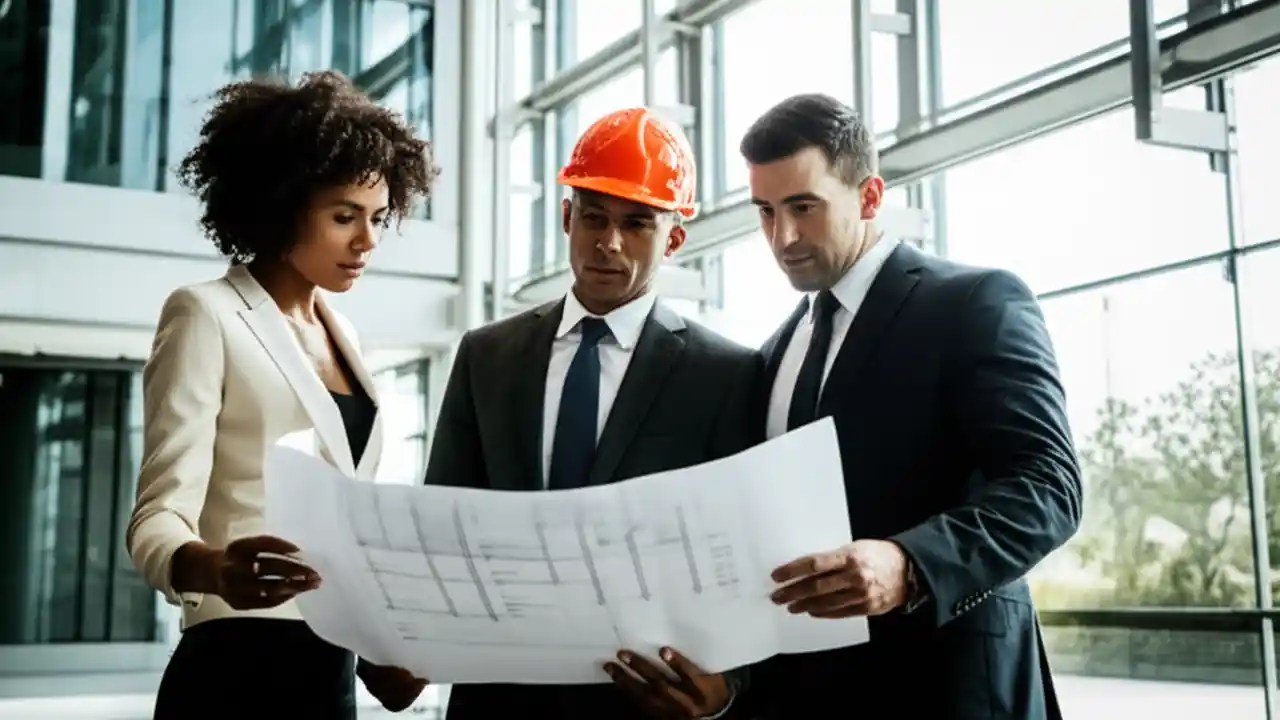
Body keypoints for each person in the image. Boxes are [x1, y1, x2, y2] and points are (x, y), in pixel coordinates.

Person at [736, 93, 1083, 718]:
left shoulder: (975, 302)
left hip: (950, 686)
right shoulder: (774, 352)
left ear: (870, 197)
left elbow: (1049, 486)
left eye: (804, 207)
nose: (782, 237)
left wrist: (912, 564)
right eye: (766, 211)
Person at [423, 107, 762, 719]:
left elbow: (742, 554)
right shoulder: (486, 355)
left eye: (637, 224)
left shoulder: (725, 375)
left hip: (642, 699)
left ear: (674, 240)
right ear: (566, 217)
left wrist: (727, 688)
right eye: (594, 217)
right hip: (499, 695)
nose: (609, 243)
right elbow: (442, 522)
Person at [125, 70, 438, 719]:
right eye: (344, 216)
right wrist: (215, 569)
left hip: (330, 671)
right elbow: (156, 519)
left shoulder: (346, 336)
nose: (367, 241)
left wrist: (381, 649)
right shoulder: (204, 314)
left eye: (377, 218)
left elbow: (340, 529)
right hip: (234, 667)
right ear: (280, 205)